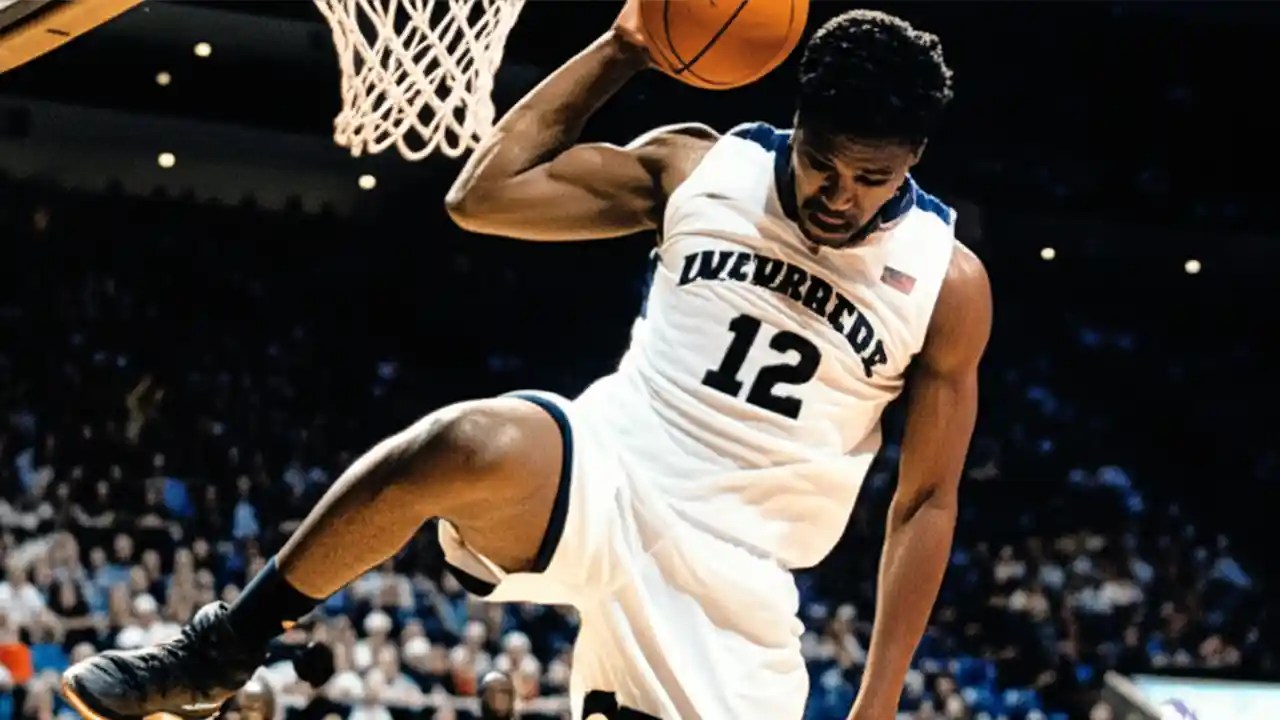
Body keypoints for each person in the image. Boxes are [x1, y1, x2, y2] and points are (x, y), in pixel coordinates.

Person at [60, 3, 992, 719]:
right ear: (799, 123)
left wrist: (878, 703)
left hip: (739, 574)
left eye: (873, 179)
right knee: (466, 439)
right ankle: (226, 644)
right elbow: (483, 196)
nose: (841, 196)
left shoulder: (945, 282)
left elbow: (926, 502)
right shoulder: (702, 169)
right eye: (825, 164)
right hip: (610, 468)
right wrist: (623, 48)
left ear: (911, 161)